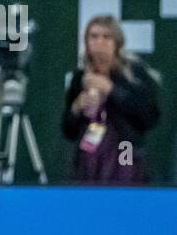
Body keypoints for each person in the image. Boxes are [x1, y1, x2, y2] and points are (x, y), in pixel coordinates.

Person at [61, 14, 161, 184]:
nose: (99, 42)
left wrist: (111, 89)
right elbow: (68, 130)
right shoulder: (81, 77)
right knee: (89, 197)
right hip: (90, 153)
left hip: (125, 147)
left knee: (125, 189)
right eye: (94, 36)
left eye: (106, 37)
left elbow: (148, 115)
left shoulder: (133, 75)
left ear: (117, 42)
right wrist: (76, 108)